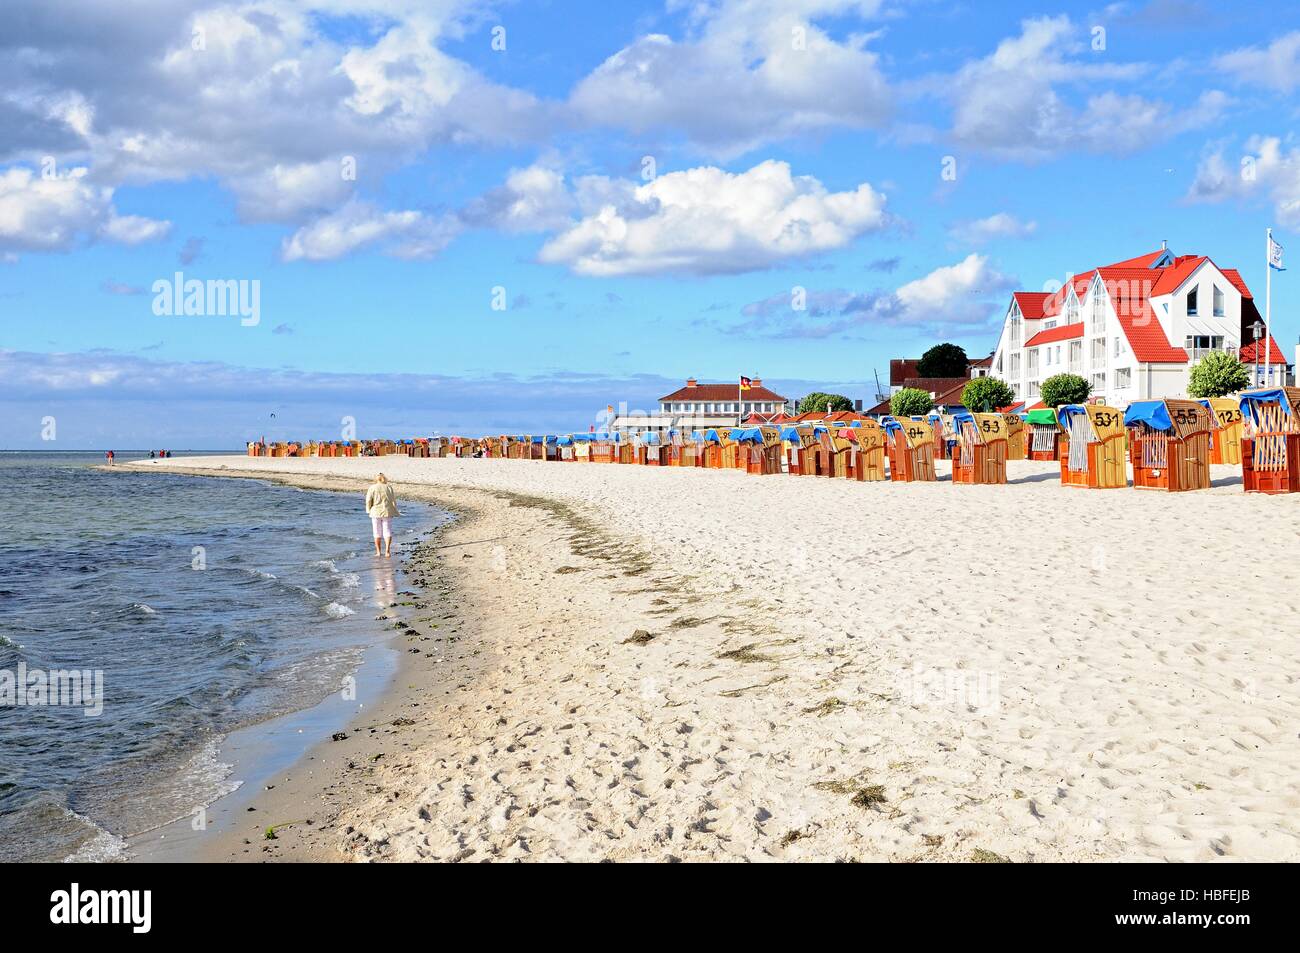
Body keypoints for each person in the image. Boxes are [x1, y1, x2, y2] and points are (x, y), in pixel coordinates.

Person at [364, 473, 400, 557]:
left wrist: (368, 510)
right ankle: (387, 551)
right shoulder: (388, 487)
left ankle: (378, 552)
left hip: (375, 512)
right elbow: (393, 500)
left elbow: (368, 500)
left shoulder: (372, 487)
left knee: (376, 532)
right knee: (387, 531)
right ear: (384, 479)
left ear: (376, 479)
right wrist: (395, 509)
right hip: (387, 511)